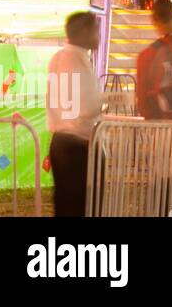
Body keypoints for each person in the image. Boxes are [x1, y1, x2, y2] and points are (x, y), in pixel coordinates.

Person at [46, 11, 103, 217]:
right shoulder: (76, 61)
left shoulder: (59, 58)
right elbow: (88, 105)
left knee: (65, 204)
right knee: (81, 206)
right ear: (84, 32)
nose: (98, 35)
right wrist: (108, 101)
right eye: (96, 30)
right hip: (78, 145)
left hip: (61, 142)